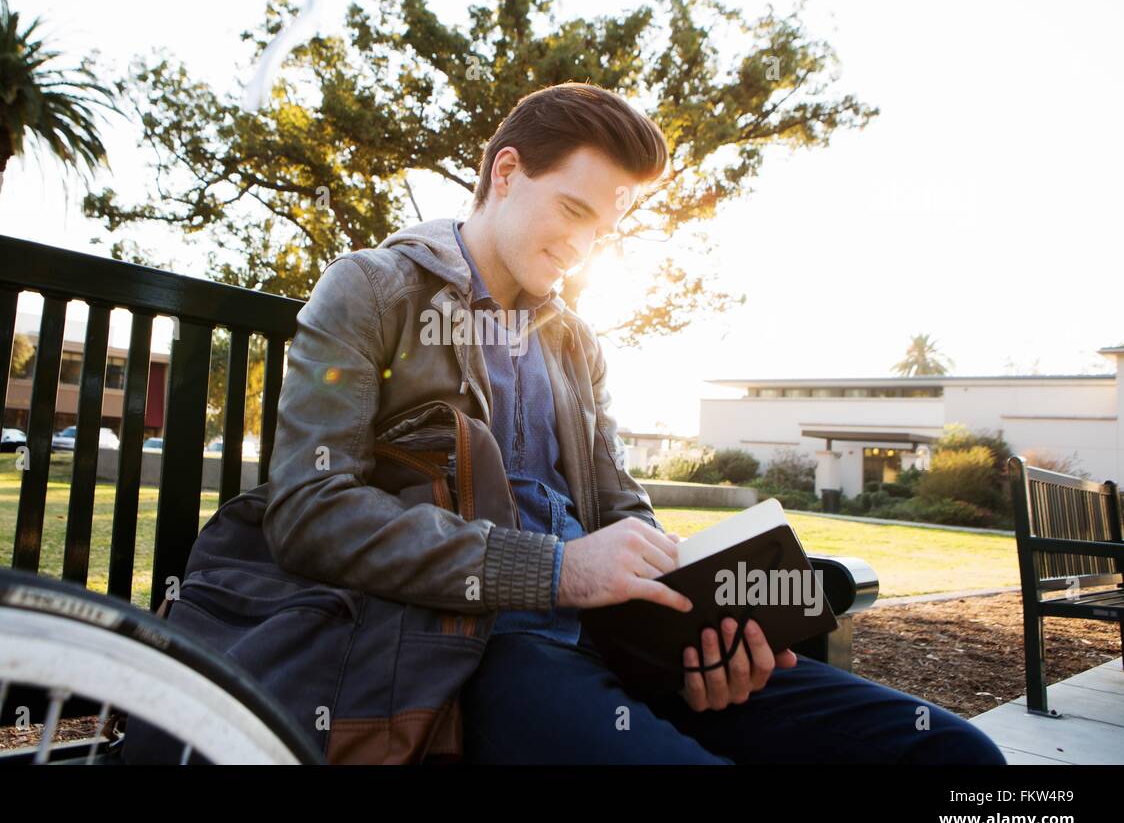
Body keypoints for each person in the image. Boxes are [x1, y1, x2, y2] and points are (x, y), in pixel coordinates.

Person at [261, 81, 1009, 764]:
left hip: (623, 641)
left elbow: (622, 508)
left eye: (603, 231)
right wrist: (554, 569)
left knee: (956, 758)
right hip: (478, 649)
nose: (584, 248)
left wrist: (704, 632)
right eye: (573, 211)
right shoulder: (373, 291)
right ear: (506, 173)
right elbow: (309, 508)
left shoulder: (573, 342)